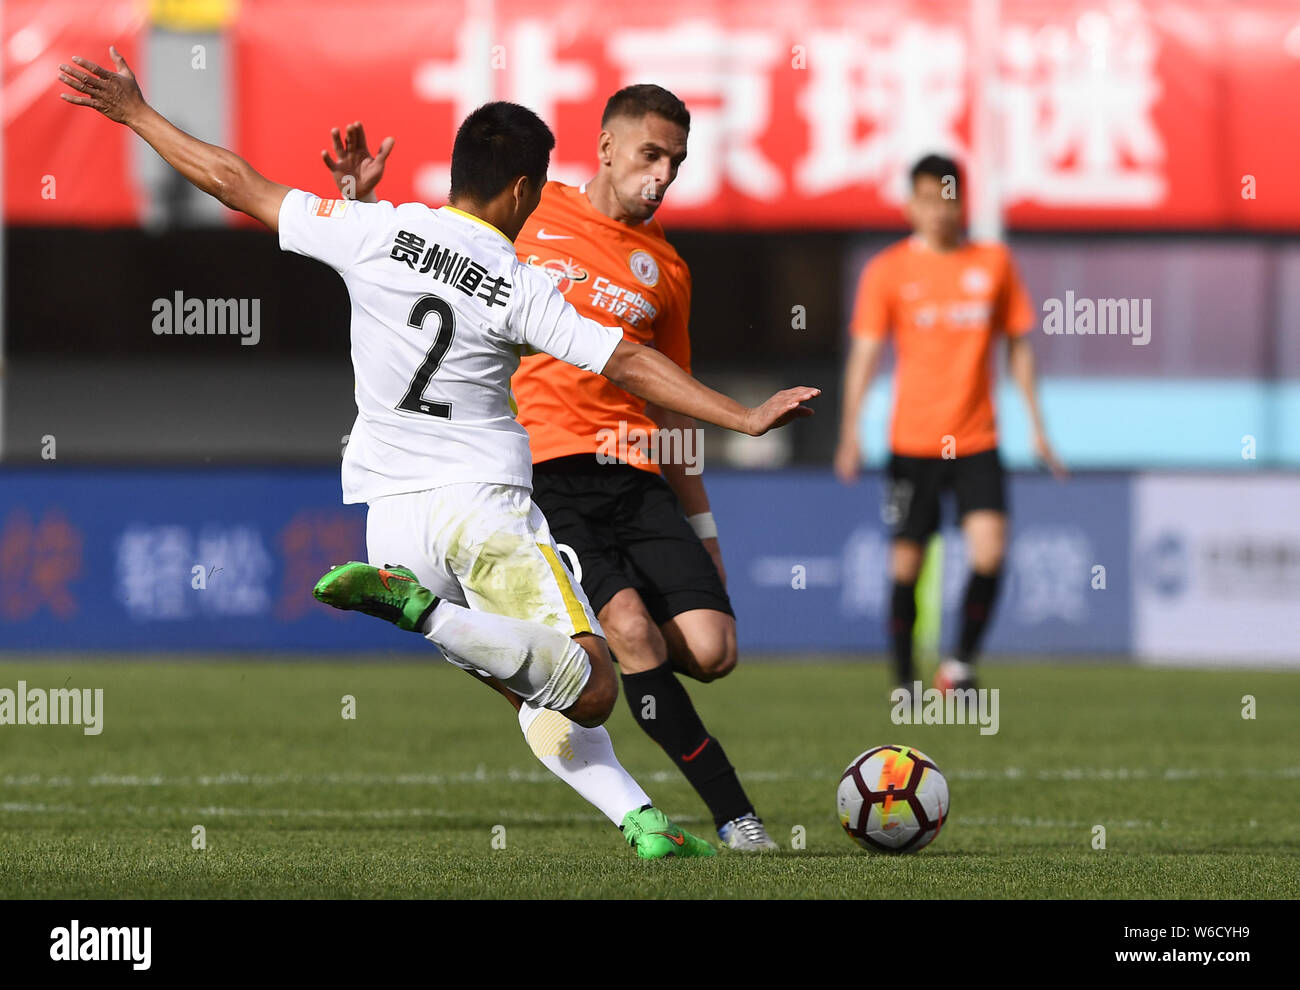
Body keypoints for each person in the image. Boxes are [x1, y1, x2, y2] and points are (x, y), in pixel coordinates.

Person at [59, 48, 818, 858]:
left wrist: (136, 112)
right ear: (524, 191)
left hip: (391, 527)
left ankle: (640, 821)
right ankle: (423, 613)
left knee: (535, 692)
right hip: (484, 513)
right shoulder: (517, 280)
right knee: (591, 687)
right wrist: (740, 416)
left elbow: (234, 180)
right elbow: (627, 359)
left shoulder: (373, 230)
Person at [320, 86, 781, 852]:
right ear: (605, 148)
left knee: (709, 649)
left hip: (635, 472)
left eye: (677, 161)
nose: (662, 175)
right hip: (542, 471)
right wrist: (366, 206)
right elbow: (442, 256)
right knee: (626, 639)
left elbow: (667, 404)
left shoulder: (666, 268)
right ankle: (735, 817)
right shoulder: (532, 213)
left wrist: (703, 528)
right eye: (650, 155)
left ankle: (638, 798)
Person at [833, 154, 1063, 698]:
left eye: (948, 198)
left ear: (963, 202)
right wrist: (849, 430)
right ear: (911, 203)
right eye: (927, 199)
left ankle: (959, 663)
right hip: (912, 443)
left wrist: (1037, 425)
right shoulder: (887, 271)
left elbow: (1019, 347)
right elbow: (865, 355)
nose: (939, 210)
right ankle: (903, 679)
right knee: (906, 563)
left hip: (978, 439)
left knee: (991, 552)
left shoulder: (995, 263)